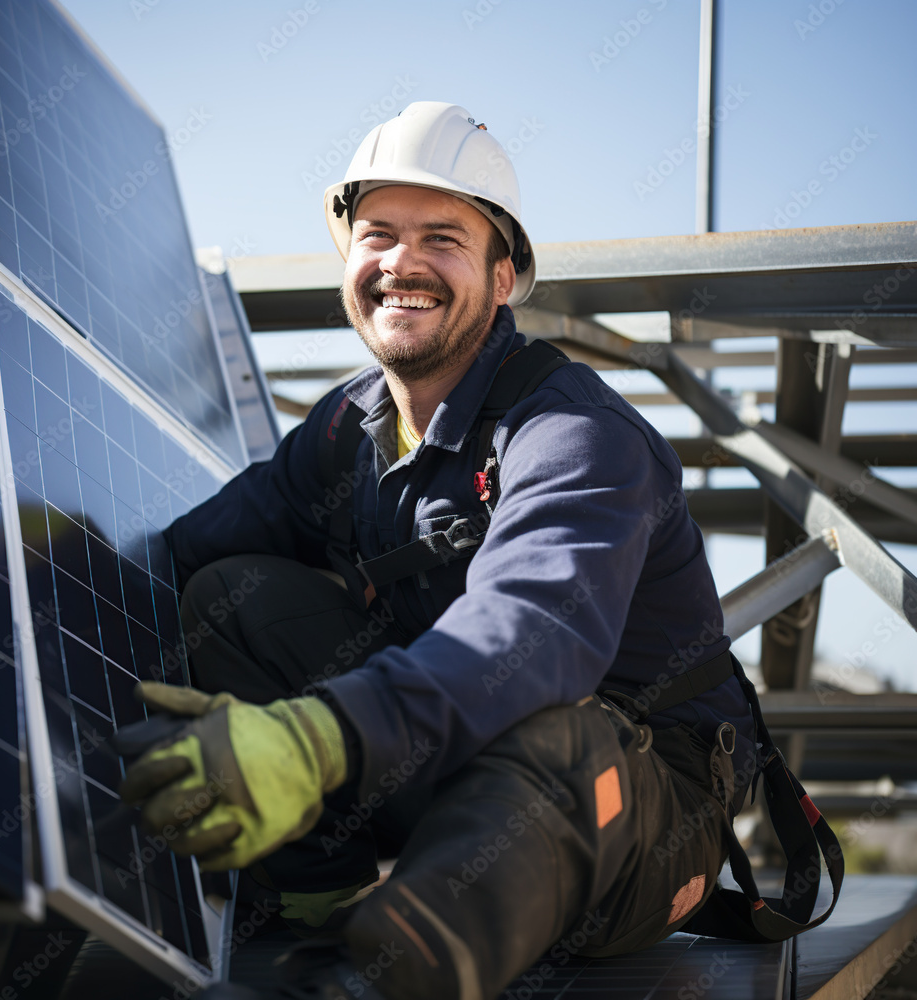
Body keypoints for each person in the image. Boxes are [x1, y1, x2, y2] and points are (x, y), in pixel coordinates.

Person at [118, 102, 759, 1000]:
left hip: (637, 813)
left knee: (563, 732)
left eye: (442, 239)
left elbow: (529, 639)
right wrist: (36, 567)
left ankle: (368, 982)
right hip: (458, 773)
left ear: (504, 278)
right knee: (237, 596)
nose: (401, 264)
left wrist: (318, 740)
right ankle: (314, 911)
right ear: (348, 261)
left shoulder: (573, 433)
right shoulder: (349, 429)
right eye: (377, 234)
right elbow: (187, 554)